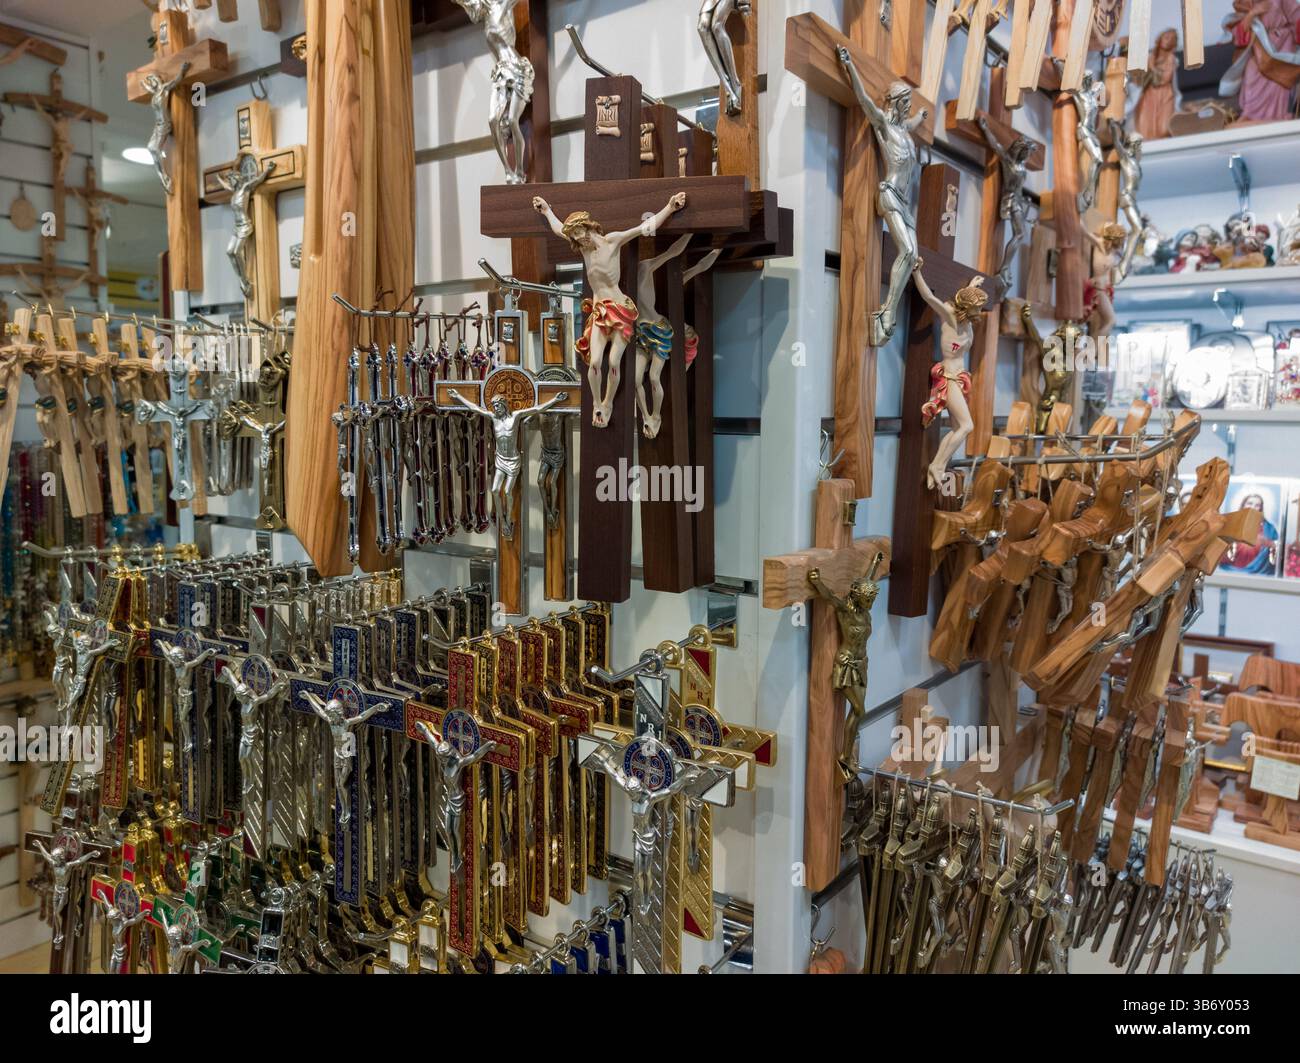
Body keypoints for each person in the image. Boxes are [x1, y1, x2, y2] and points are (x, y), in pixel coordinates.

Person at [1221, 0, 1300, 124]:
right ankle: (1251, 115)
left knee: (1281, 78)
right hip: (1258, 47)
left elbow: (1297, 16)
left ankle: (1280, 116)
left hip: (1283, 46)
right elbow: (1239, 32)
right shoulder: (1244, 3)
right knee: (1251, 74)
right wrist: (1253, 13)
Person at [1133, 28, 1181, 139]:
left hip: (1165, 94)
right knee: (1144, 128)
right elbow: (1139, 77)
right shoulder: (1150, 57)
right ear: (1160, 39)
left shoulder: (1172, 59)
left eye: (1172, 39)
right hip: (1149, 95)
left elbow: (1165, 78)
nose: (1168, 41)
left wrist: (1153, 70)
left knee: (1164, 128)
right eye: (1166, 37)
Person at [1222, 492, 1279, 574]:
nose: (1253, 507)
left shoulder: (1269, 528)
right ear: (1243, 505)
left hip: (1260, 570)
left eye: (1257, 505)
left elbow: (1279, 548)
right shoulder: (1232, 523)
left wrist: (1268, 542)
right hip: (1232, 569)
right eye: (1250, 503)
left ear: (1261, 508)